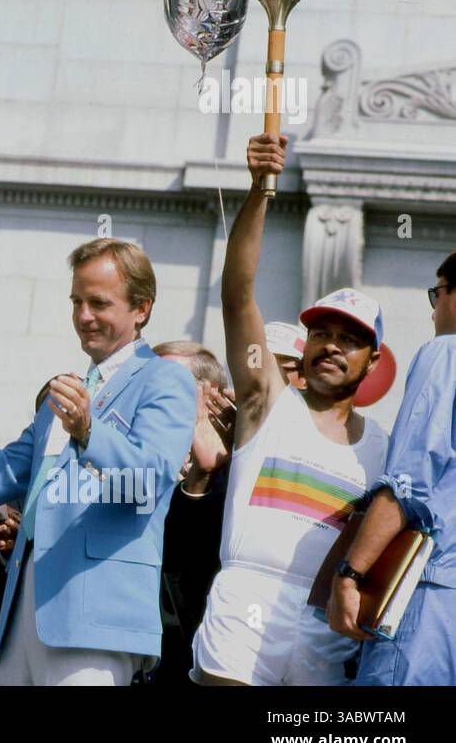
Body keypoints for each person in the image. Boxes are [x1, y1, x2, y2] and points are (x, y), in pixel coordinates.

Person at [0, 237, 196, 686]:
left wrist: (89, 433)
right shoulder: (63, 393)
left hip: (96, 617)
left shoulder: (165, 380)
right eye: (76, 301)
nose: (83, 316)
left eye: (99, 303)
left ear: (142, 308)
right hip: (23, 614)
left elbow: (148, 482)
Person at [192, 134, 389, 687]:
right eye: (320, 332)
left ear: (372, 361)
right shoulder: (267, 401)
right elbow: (238, 293)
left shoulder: (385, 450)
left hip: (322, 623)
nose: (330, 344)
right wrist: (259, 191)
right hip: (244, 602)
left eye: (349, 339)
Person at [328, 250, 456, 685]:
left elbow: (409, 483)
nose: (434, 309)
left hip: (428, 595)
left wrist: (350, 574)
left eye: (435, 294)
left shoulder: (446, 352)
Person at [152, 341, 234, 685]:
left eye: (167, 387)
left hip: (194, 661)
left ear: (209, 399)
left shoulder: (235, 472)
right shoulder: (128, 463)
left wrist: (202, 476)